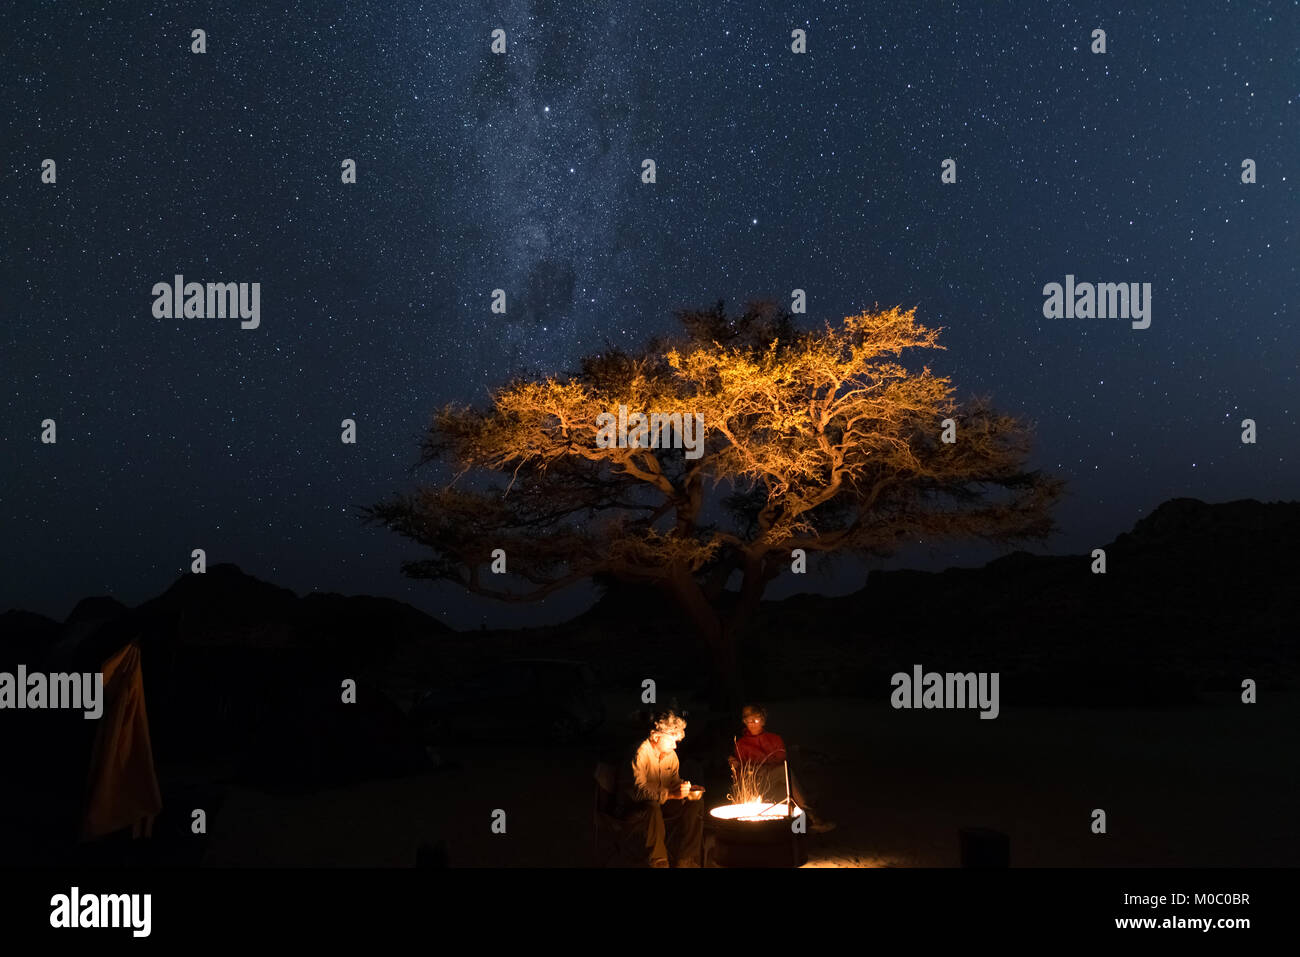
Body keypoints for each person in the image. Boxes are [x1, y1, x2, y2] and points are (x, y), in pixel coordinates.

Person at [729, 703, 835, 833]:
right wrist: (735, 764)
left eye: (755, 720)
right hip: (757, 782)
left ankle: (799, 828)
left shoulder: (774, 739)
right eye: (748, 721)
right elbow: (741, 771)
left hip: (775, 776)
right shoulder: (741, 744)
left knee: (786, 780)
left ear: (763, 720)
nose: (752, 724)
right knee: (785, 776)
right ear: (744, 722)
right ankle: (811, 817)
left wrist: (766, 765)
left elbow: (781, 758)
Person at [621, 711, 704, 867]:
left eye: (676, 742)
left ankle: (686, 858)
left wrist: (686, 789)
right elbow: (637, 791)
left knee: (695, 803)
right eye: (672, 740)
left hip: (663, 805)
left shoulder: (671, 755)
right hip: (634, 808)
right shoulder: (640, 753)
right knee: (652, 806)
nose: (674, 745)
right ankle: (659, 860)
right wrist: (671, 794)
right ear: (657, 736)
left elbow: (673, 782)